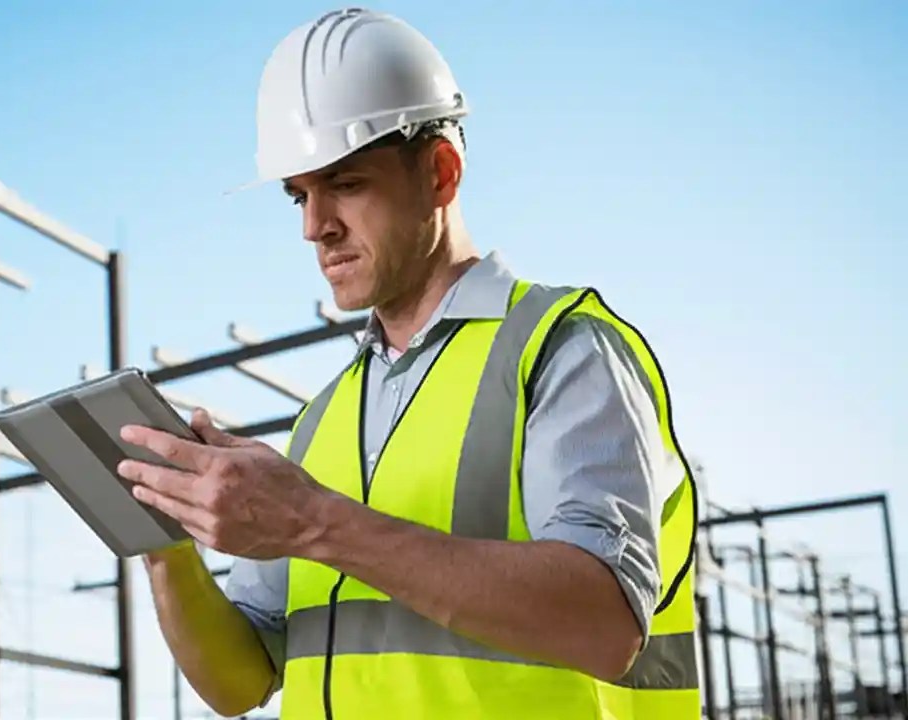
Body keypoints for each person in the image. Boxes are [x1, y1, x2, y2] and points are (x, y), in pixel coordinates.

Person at [116, 8, 701, 719]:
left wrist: (312, 520)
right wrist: (164, 545)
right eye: (299, 194)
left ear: (440, 173)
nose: (314, 225)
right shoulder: (322, 420)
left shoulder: (561, 350)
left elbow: (603, 623)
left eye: (346, 183)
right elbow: (241, 683)